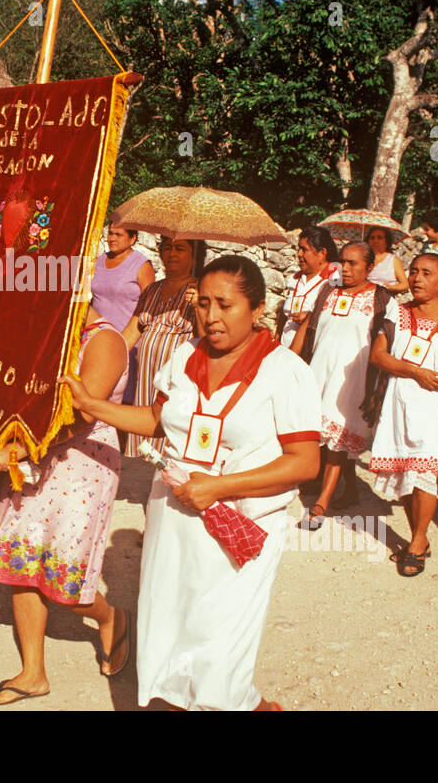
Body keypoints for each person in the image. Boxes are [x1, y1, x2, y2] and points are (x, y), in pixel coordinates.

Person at [64, 255, 322, 711]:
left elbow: (304, 464)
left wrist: (219, 487)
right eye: (203, 303)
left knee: (218, 648)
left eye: (225, 304)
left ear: (257, 309)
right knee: (172, 627)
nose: (211, 316)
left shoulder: (287, 371)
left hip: (240, 525)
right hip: (174, 516)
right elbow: (156, 421)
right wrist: (93, 404)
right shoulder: (185, 357)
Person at [0, 307, 129, 704]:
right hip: (32, 460)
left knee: (64, 576)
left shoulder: (104, 340)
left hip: (84, 463)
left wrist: (19, 448)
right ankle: (33, 673)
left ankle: (110, 617)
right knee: (22, 559)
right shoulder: (44, 337)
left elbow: (82, 415)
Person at [367, 253, 438, 577]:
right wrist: (414, 371)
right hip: (398, 404)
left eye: (427, 273)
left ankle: (417, 542)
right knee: (405, 473)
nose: (417, 279)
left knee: (425, 474)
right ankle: (419, 536)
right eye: (414, 272)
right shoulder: (397, 311)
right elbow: (378, 355)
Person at [291, 242, 388, 524]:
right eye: (342, 262)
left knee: (338, 439)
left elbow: (387, 343)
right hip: (319, 373)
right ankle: (350, 489)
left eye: (353, 263)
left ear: (370, 268)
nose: (345, 268)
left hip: (352, 381)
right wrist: (289, 361)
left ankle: (322, 502)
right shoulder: (327, 292)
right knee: (325, 435)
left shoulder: (382, 301)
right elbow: (308, 328)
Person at [121, 236, 206, 457]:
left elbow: (207, 338)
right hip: (146, 380)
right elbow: (132, 331)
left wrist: (199, 306)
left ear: (194, 255)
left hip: (177, 378)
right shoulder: (152, 290)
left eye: (180, 248)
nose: (172, 253)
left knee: (169, 437)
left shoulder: (200, 291)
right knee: (142, 434)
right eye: (167, 248)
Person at [278, 226, 341, 348]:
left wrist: (310, 318)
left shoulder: (334, 281)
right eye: (298, 249)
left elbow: (335, 320)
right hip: (285, 350)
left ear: (322, 253)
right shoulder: (296, 278)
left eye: (304, 249)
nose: (299, 254)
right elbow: (284, 316)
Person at [91, 222, 156, 331]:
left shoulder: (142, 265)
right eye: (110, 233)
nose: (112, 239)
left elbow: (149, 306)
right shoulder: (100, 260)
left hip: (125, 339)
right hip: (95, 336)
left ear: (132, 238)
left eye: (118, 235)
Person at [365, 226, 409, 294]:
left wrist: (391, 288)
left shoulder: (393, 260)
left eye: (379, 238)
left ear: (386, 241)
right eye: (372, 238)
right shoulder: (363, 259)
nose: (375, 240)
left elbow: (405, 285)